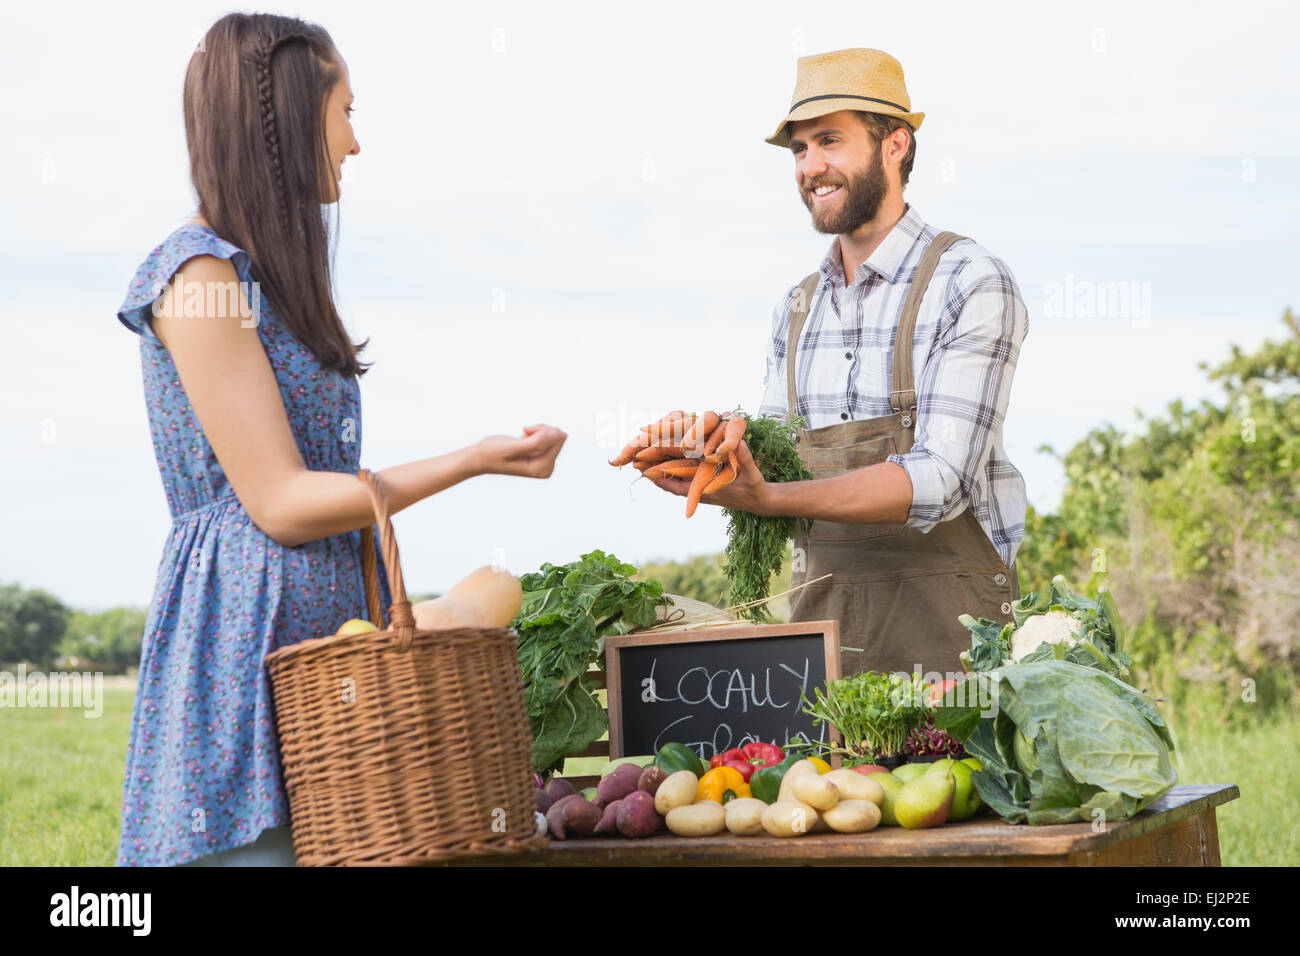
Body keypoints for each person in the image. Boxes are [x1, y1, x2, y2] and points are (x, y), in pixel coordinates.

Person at [114, 12, 566, 867]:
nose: (355, 142)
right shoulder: (200, 278)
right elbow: (282, 503)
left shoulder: (273, 278)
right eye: (346, 110)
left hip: (323, 651)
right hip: (242, 647)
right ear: (286, 116)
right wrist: (472, 461)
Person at [649, 49, 1027, 680]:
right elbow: (773, 460)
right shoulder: (797, 306)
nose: (811, 168)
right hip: (822, 650)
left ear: (895, 145)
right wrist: (712, 455)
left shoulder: (967, 280)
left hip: (950, 654)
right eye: (799, 149)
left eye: (830, 141)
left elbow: (940, 479)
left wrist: (770, 497)